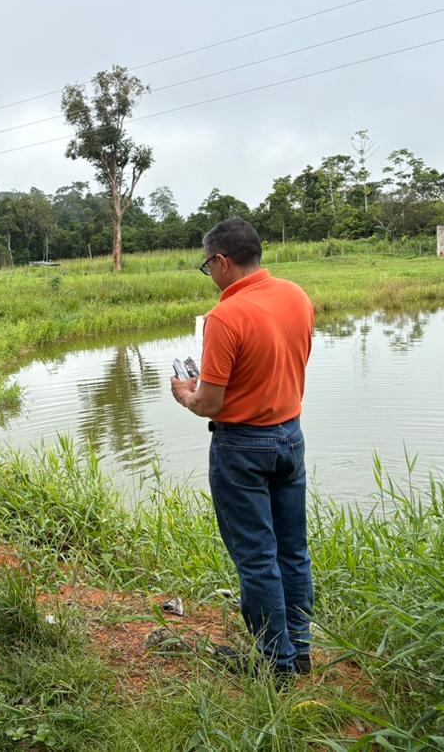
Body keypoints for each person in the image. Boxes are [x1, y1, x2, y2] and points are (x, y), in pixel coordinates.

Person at [170, 218, 315, 677]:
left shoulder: (225, 317)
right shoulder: (297, 295)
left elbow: (209, 403)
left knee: (256, 557)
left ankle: (276, 664)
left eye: (207, 265)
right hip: (290, 436)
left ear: (222, 261)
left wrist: (184, 392)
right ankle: (300, 648)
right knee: (292, 550)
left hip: (243, 447)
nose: (209, 273)